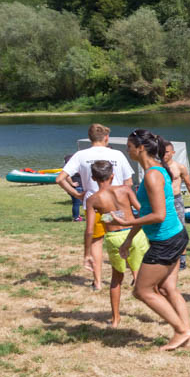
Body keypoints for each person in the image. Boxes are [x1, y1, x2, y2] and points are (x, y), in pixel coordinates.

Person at [107, 131, 190, 350]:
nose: (127, 150)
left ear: (141, 148)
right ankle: (188, 336)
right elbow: (146, 211)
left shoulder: (153, 175)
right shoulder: (154, 171)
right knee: (168, 288)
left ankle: (182, 331)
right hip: (174, 235)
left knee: (142, 290)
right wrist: (128, 239)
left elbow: (158, 215)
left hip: (165, 240)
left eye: (129, 146)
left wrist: (126, 223)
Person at [56, 123, 135, 290]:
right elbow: (129, 182)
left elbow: (60, 178)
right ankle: (136, 277)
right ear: (106, 138)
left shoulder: (80, 155)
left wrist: (77, 194)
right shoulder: (117, 154)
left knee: (96, 242)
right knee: (125, 238)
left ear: (90, 138)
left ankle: (98, 282)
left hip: (95, 207)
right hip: (116, 207)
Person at [84, 160, 149, 327]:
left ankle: (115, 319)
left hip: (114, 237)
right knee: (149, 272)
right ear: (112, 176)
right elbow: (141, 210)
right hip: (135, 233)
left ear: (93, 178)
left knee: (116, 279)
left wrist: (87, 253)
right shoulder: (125, 190)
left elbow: (90, 229)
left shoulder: (93, 199)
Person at [163, 142, 190, 270]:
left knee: (180, 229)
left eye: (167, 151)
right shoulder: (157, 168)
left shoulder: (179, 167)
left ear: (173, 152)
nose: (164, 154)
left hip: (176, 200)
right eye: (162, 151)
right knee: (163, 229)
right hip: (161, 200)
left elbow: (189, 184)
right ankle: (166, 256)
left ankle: (182, 259)